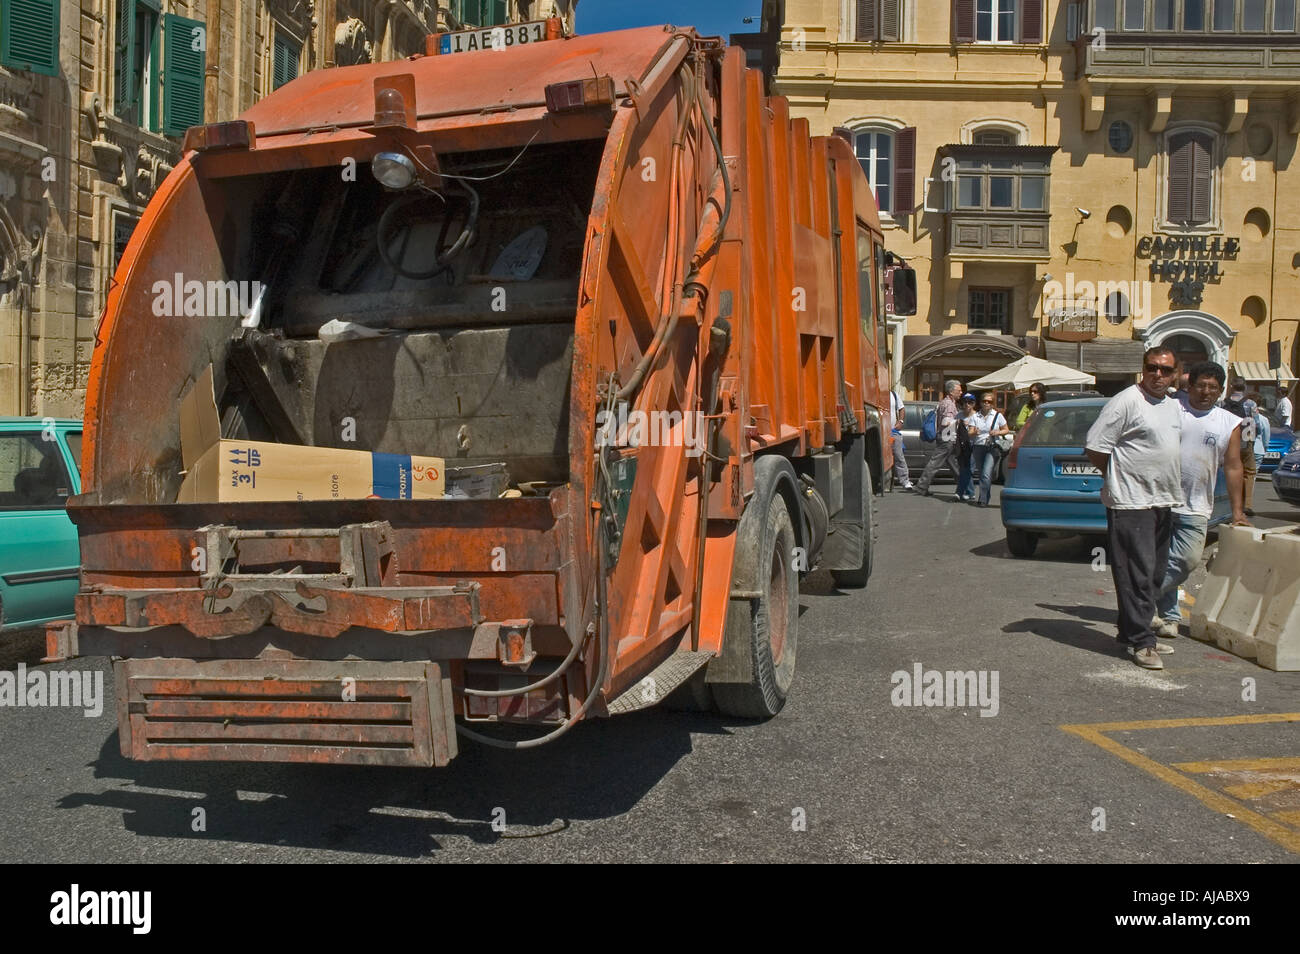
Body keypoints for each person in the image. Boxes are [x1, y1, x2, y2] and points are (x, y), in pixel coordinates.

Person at [1085, 347, 1184, 670]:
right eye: (1152, 368)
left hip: (1162, 499)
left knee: (1153, 574)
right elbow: (1096, 447)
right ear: (1143, 369)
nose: (1158, 375)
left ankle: (1130, 632)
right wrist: (1117, 478)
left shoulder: (1171, 406)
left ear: (1175, 373)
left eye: (1165, 370)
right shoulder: (1126, 401)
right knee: (1136, 574)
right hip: (1131, 501)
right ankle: (1143, 642)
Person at [1153, 361, 1250, 639]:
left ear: (1221, 391)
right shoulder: (1173, 411)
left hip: (1197, 504)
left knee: (1186, 560)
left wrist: (1237, 511)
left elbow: (1233, 466)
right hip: (1160, 499)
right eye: (1201, 385)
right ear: (1190, 386)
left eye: (1213, 387)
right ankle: (1169, 616)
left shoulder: (1228, 422)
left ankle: (1140, 599)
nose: (1206, 392)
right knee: (1159, 559)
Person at [915, 379, 963, 498]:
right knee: (935, 463)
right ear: (951, 392)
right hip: (947, 438)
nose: (961, 392)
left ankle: (963, 487)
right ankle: (921, 486)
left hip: (947, 437)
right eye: (959, 390)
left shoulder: (944, 402)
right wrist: (960, 421)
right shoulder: (949, 404)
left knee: (954, 465)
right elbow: (946, 421)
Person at [968, 393, 1010, 507]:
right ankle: (985, 496)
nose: (987, 403)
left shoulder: (997, 415)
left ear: (992, 404)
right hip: (978, 446)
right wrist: (974, 432)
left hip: (992, 447)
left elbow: (1006, 429)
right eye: (984, 401)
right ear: (980, 402)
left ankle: (983, 499)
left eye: (989, 401)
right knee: (982, 473)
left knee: (986, 473)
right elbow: (970, 432)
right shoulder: (975, 416)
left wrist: (997, 432)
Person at [1240, 398, 1269, 516]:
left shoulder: (1229, 403)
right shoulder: (1261, 418)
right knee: (1251, 474)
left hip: (1239, 443)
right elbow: (1263, 433)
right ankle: (1247, 504)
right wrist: (1265, 447)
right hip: (1253, 446)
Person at [889, 389, 913, 491]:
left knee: (899, 456)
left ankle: (905, 481)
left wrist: (901, 421)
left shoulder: (893, 394)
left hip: (893, 431)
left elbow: (901, 408)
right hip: (880, 431)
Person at [955, 393, 976, 501]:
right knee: (964, 469)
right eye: (965, 402)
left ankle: (959, 492)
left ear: (974, 404)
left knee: (968, 469)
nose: (967, 404)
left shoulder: (977, 416)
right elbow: (953, 430)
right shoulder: (959, 415)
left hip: (973, 445)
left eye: (970, 402)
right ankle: (970, 492)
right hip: (962, 445)